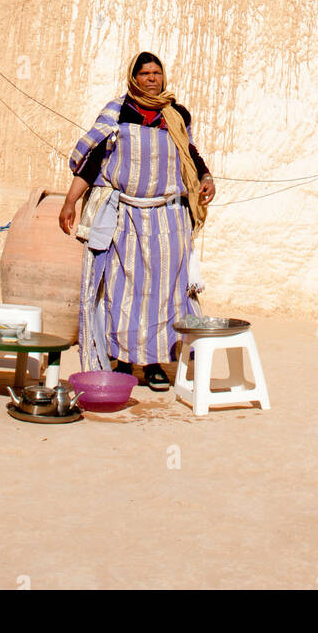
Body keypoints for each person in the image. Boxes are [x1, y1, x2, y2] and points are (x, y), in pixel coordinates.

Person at [58, 51, 215, 390]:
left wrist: (205, 176)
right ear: (133, 77)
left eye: (156, 73)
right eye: (144, 73)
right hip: (125, 216)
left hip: (168, 218)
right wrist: (70, 201)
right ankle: (126, 362)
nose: (151, 79)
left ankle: (157, 363)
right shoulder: (117, 113)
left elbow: (190, 153)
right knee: (124, 289)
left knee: (166, 291)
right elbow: (93, 160)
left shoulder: (176, 115)